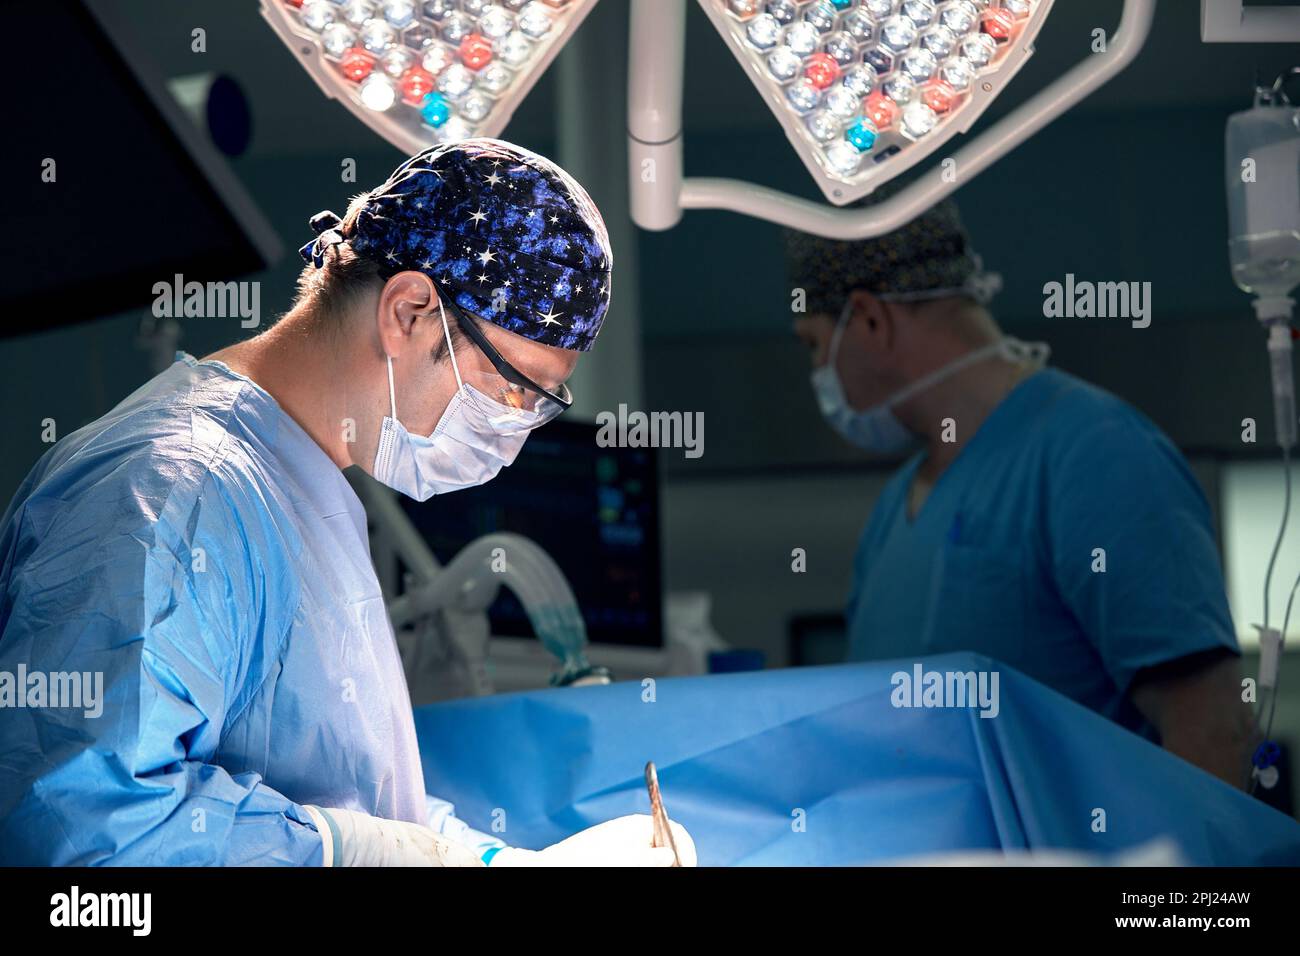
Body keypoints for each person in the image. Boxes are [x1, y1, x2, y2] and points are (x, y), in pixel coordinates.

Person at [0, 138, 696, 866]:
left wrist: (490, 861)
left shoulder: (306, 487)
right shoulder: (175, 488)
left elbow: (346, 788)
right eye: (510, 389)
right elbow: (85, 838)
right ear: (409, 310)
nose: (510, 435)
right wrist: (350, 855)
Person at [785, 198, 1255, 787]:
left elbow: (1214, 729)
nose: (816, 377)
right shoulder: (893, 512)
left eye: (812, 345)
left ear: (869, 319)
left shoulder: (1095, 453)